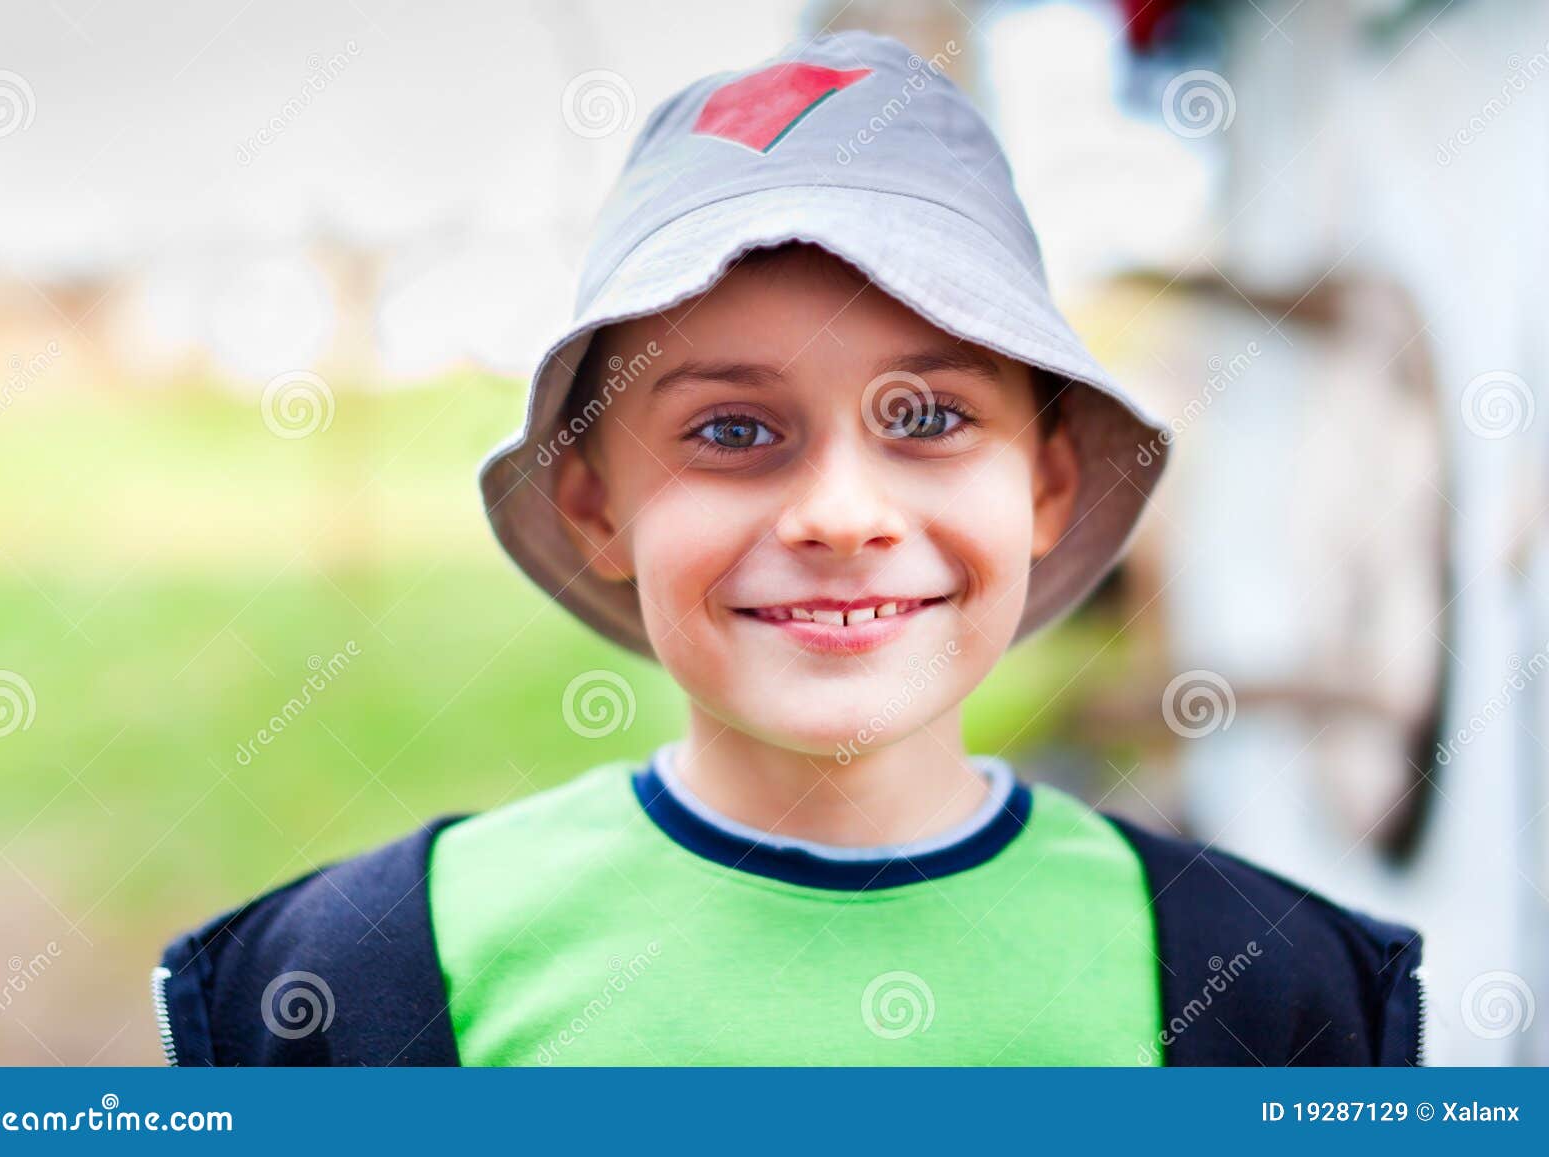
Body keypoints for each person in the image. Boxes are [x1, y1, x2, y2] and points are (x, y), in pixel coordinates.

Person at [153, 30, 1423, 1067]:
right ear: (595, 505)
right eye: (732, 429)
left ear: (1044, 482)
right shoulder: (368, 978)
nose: (840, 514)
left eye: (927, 417)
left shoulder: (1259, 986)